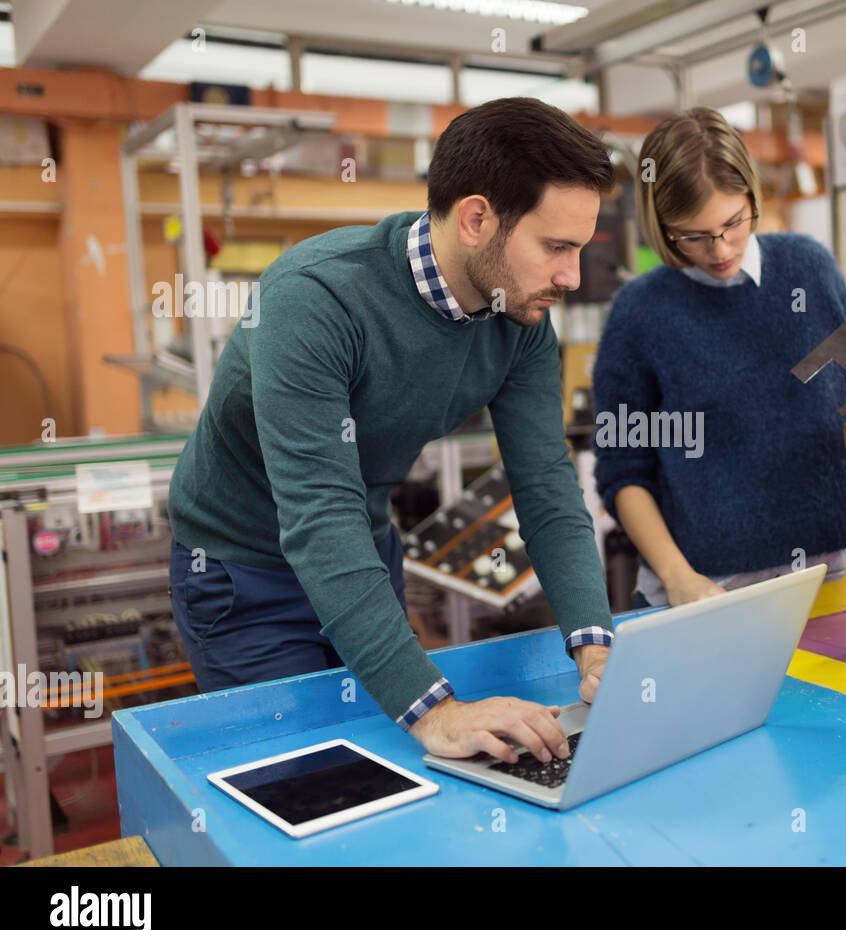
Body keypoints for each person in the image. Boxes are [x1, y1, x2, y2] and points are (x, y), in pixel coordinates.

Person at [167, 97, 614, 767]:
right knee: (306, 782)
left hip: (367, 552)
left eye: (579, 249)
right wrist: (438, 713)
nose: (571, 277)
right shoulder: (314, 300)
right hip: (243, 571)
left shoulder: (518, 319)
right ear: (476, 219)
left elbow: (547, 484)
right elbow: (319, 515)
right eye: (556, 247)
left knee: (393, 763)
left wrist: (593, 642)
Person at [593, 107, 846, 609]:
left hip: (836, 572)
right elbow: (623, 472)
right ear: (661, 225)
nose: (719, 249)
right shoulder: (641, 312)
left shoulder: (808, 267)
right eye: (692, 235)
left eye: (733, 223)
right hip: (711, 590)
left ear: (752, 198)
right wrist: (677, 578)